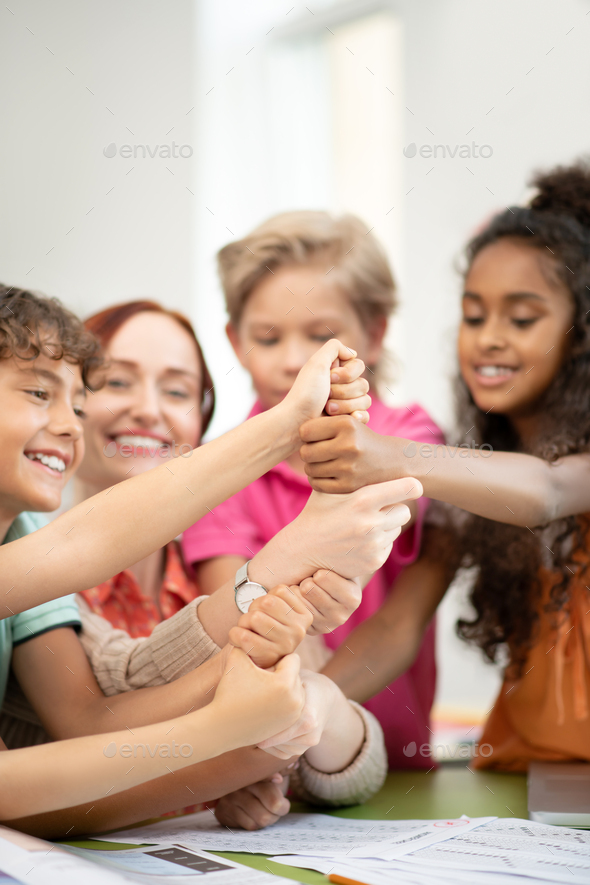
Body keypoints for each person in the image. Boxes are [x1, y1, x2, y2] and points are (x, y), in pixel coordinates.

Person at [0, 284, 414, 834]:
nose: (70, 423)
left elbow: (332, 738)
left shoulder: (215, 549)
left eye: (77, 402)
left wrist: (276, 688)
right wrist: (225, 737)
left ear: (203, 425)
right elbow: (81, 549)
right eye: (116, 382)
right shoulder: (44, 550)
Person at [302, 160, 590, 772]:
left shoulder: (540, 471)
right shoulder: (470, 476)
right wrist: (308, 705)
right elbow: (399, 626)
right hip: (529, 771)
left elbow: (547, 490)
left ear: (580, 334)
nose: (488, 338)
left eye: (522, 318)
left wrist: (387, 455)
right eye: (474, 314)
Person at [182, 211, 445, 772]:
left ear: (374, 332)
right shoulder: (216, 472)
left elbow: (402, 617)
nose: (292, 361)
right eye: (267, 338)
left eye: (320, 336)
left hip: (398, 764)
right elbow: (238, 617)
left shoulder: (414, 438)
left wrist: (320, 705)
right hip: (264, 763)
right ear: (234, 340)